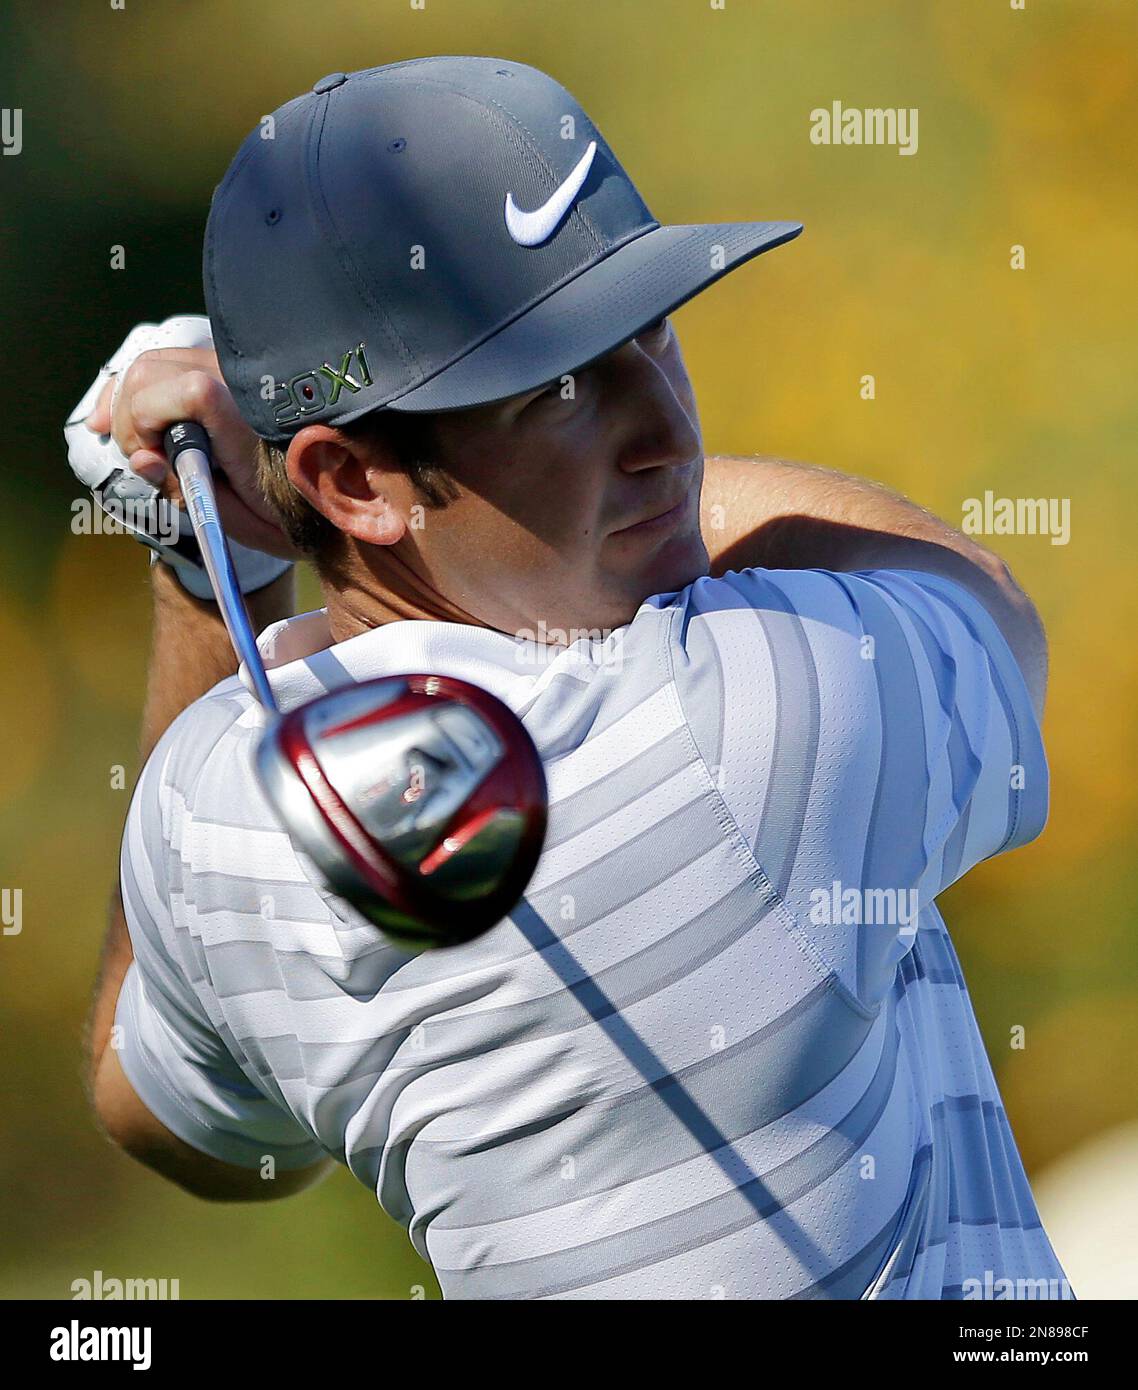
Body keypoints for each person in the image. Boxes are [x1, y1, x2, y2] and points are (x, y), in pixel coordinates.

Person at [70, 57, 1070, 1299]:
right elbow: (977, 596)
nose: (667, 432)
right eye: (559, 387)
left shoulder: (205, 809)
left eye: (648, 330)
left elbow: (165, 1112)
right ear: (356, 481)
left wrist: (203, 557)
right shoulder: (764, 715)